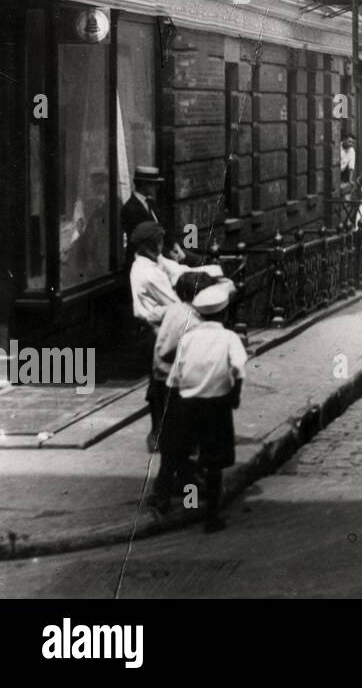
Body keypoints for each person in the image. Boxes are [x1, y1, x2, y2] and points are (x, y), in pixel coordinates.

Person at [163, 279, 247, 532]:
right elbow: (239, 369)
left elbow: (174, 377)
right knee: (214, 462)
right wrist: (235, 395)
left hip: (188, 403)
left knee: (181, 452)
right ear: (223, 313)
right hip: (217, 406)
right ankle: (211, 516)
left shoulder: (188, 339)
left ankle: (178, 504)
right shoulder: (229, 337)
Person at [129, 222, 201, 453]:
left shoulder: (152, 261)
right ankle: (158, 434)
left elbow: (175, 269)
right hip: (153, 331)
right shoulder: (147, 273)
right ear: (148, 246)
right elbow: (174, 302)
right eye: (158, 243)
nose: (162, 246)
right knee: (161, 384)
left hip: (160, 327)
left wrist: (194, 271)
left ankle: (163, 433)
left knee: (161, 382)